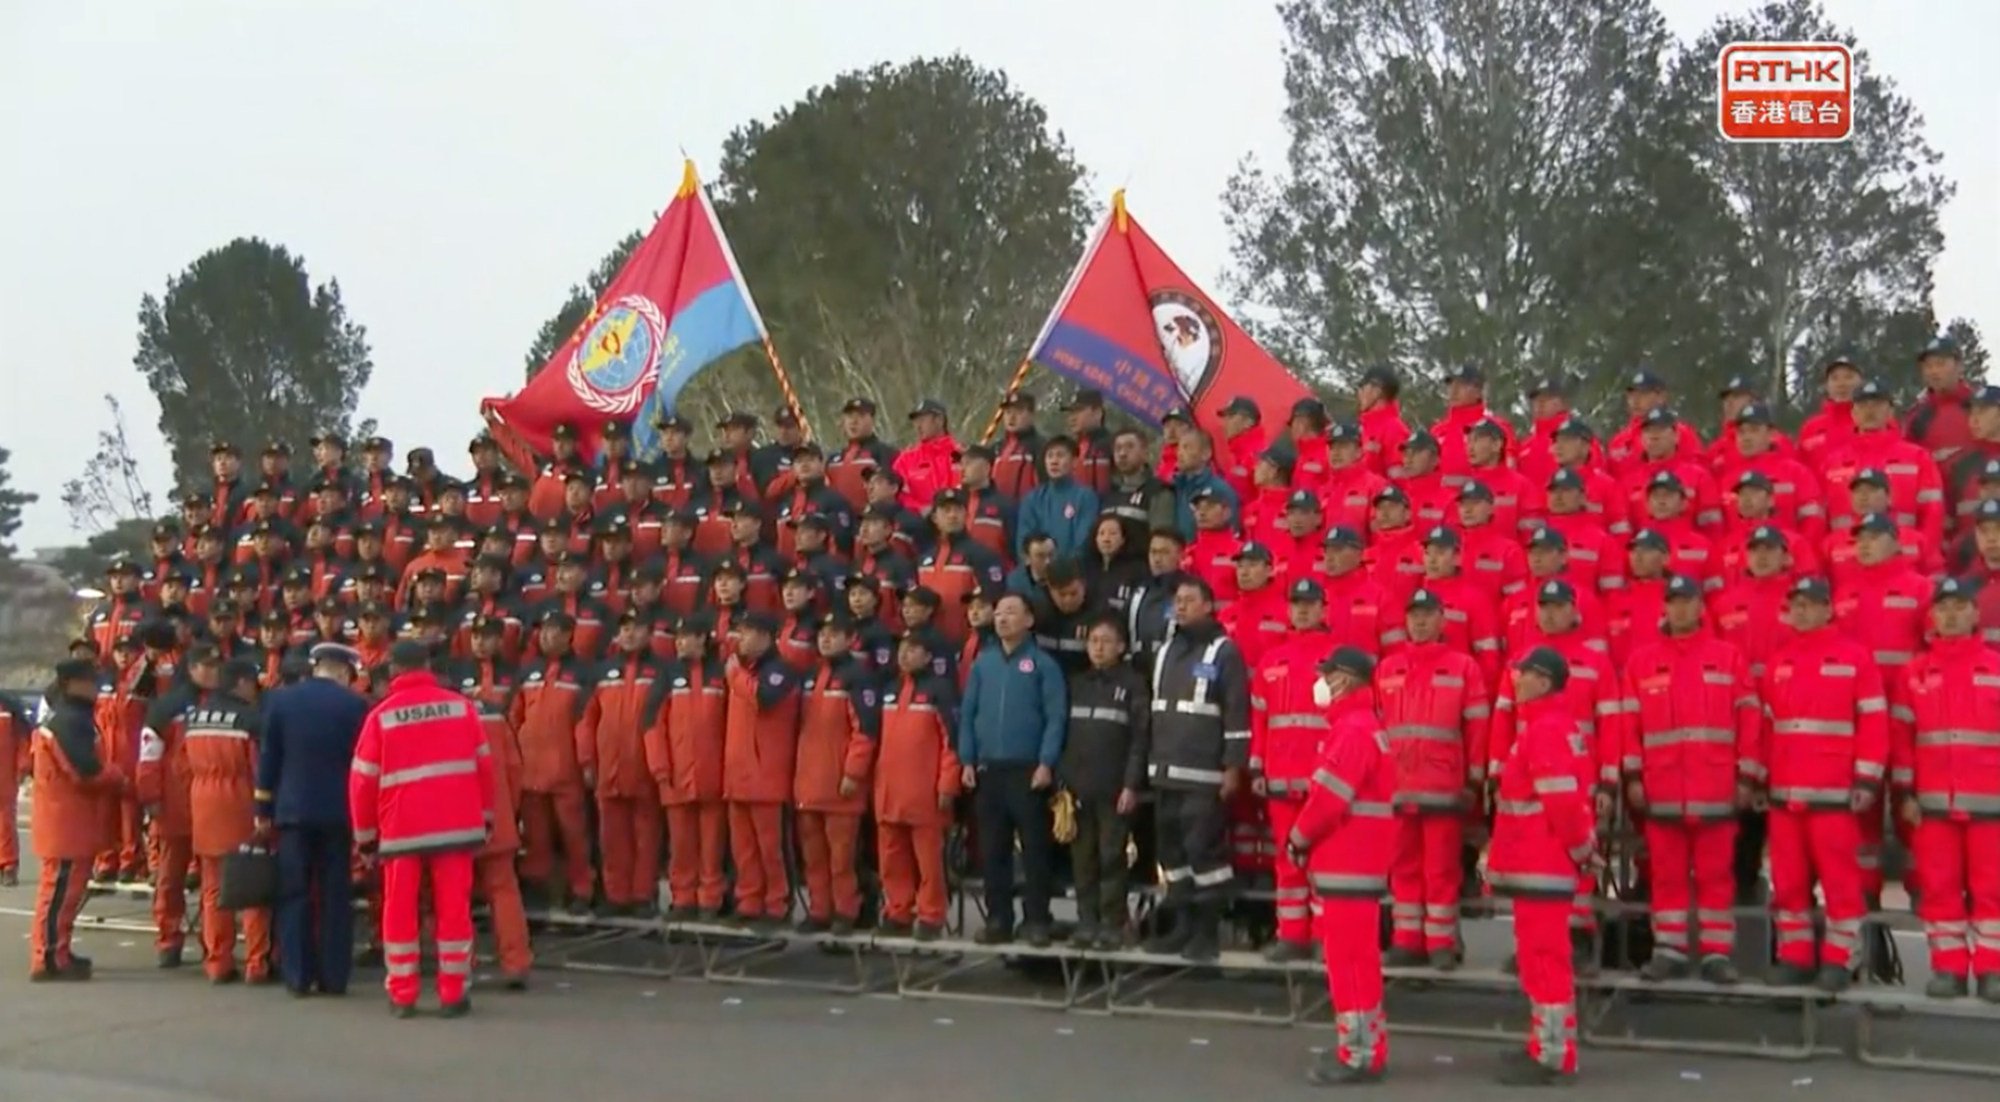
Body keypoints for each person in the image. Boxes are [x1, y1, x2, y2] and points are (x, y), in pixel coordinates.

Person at [1618, 576, 1760, 985]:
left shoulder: (1728, 658)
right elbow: (1630, 726)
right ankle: (1670, 949)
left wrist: (1747, 776)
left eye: (1688, 601)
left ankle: (1716, 953)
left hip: (1716, 789)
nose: (1680, 610)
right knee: (1666, 875)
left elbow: (1749, 721)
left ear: (1702, 607)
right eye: (1673, 602)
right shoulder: (1641, 662)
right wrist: (1632, 776)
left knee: (1717, 875)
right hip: (1662, 789)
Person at [350, 641, 494, 1017]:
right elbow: (484, 767)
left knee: (399, 911)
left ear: (394, 669)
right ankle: (453, 992)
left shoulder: (381, 716)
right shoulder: (461, 708)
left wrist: (365, 837)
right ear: (428, 665)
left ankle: (403, 994)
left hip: (401, 830)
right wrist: (486, 817)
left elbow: (362, 782)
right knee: (454, 910)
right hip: (456, 826)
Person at [1761, 576, 1887, 991]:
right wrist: (1762, 775)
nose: (1802, 611)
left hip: (1835, 795)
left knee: (1840, 883)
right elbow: (1767, 726)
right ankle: (1795, 956)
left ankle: (1839, 959)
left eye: (1811, 604)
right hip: (1785, 795)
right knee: (1789, 883)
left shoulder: (1855, 659)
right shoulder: (1779, 660)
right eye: (1796, 604)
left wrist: (1867, 778)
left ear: (1829, 609)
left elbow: (1873, 722)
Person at [1286, 646, 1396, 1086]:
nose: (1321, 683)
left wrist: (1298, 836)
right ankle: (1364, 1047)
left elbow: (1329, 798)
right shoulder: (1363, 727)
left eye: (1326, 675)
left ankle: (1359, 1054)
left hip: (1347, 863)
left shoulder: (1352, 730)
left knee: (1348, 963)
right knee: (1358, 962)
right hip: (1356, 863)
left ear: (1345, 680)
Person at [1488, 647, 1597, 1086]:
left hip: (1542, 862)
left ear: (1545, 681)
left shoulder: (1545, 729)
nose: (1515, 679)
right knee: (1539, 959)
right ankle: (1545, 1043)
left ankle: (1553, 1053)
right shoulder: (1546, 726)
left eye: (1524, 673)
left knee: (1545, 960)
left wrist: (1578, 849)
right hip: (1538, 863)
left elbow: (1562, 802)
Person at [1891, 577, 2000, 1002]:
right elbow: (1902, 738)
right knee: (1939, 888)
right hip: (1933, 805)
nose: (1951, 615)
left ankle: (1992, 969)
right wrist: (1905, 793)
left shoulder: (1995, 668)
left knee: (1993, 890)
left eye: (1959, 607)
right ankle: (1949, 968)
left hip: (1991, 805)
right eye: (1944, 608)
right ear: (1932, 616)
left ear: (1975, 614)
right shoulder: (1913, 673)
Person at [1379, 588, 1490, 968]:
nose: (1420, 621)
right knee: (1402, 867)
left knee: (1441, 869)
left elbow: (1477, 727)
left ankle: (1441, 942)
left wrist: (1474, 780)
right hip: (1397, 786)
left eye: (1427, 614)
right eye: (1414, 615)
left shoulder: (1463, 667)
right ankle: (1407, 939)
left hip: (1444, 787)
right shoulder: (1388, 667)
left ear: (1442, 620)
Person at [1144, 577, 1252, 962]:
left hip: (1204, 777)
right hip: (1165, 772)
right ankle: (1182, 927)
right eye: (1178, 601)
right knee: (1171, 854)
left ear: (1209, 606)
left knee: (1203, 853)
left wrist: (1233, 767)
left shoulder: (1224, 652)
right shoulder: (1167, 650)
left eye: (1189, 600)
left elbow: (1237, 714)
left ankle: (1206, 935)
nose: (1182, 606)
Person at [255, 641, 370, 997]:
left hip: (293, 811)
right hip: (339, 813)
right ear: (344, 672)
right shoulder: (356, 706)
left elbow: (268, 759)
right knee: (336, 895)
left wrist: (263, 809)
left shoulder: (281, 701)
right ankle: (334, 976)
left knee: (295, 894)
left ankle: (298, 974)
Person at [958, 592, 1066, 946]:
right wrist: (967, 759)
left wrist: (1046, 762)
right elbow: (968, 715)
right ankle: (998, 919)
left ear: (1029, 620)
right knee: (993, 849)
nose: (1003, 619)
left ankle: (1038, 919)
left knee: (1035, 849)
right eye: (999, 612)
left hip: (1028, 770)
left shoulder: (1042, 665)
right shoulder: (983, 664)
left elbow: (1055, 718)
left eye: (1011, 612)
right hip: (990, 770)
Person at [29, 659, 128, 981]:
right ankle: (48, 957)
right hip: (67, 821)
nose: (96, 686)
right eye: (90, 681)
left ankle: (58, 950)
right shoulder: (71, 722)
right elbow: (87, 772)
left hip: (68, 819)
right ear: (73, 683)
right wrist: (119, 777)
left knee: (64, 894)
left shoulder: (67, 717)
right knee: (59, 893)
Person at [1061, 615, 1150, 949]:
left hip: (1115, 789)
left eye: (1106, 641)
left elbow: (1140, 740)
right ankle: (1086, 923)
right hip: (1079, 788)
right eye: (1093, 641)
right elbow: (1066, 736)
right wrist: (1063, 784)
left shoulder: (1133, 684)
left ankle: (1112, 925)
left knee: (1111, 859)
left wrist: (1131, 785)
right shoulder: (1077, 683)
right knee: (1082, 860)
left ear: (1122, 647)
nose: (1098, 648)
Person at [184, 658, 273, 984]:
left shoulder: (194, 718)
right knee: (252, 887)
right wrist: (264, 813)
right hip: (240, 803)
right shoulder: (250, 720)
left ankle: (217, 961)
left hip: (203, 804)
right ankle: (256, 963)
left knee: (213, 890)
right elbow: (258, 770)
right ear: (241, 683)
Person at [793, 618, 880, 934]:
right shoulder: (811, 675)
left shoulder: (858, 677)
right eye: (822, 635)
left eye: (834, 634)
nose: (826, 640)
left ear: (850, 638)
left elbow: (866, 731)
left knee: (842, 857)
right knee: (813, 856)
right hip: (808, 781)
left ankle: (847, 910)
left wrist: (853, 773)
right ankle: (820, 909)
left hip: (841, 785)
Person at [876, 632, 963, 938]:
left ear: (928, 657)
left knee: (929, 862)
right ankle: (898, 910)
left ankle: (931, 914)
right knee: (891, 856)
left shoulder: (941, 690)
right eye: (902, 649)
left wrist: (947, 785)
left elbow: (952, 743)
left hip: (925, 792)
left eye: (914, 650)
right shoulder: (889, 689)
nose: (905, 655)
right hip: (888, 790)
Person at [723, 613, 803, 928]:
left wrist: (734, 676)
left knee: (771, 849)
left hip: (767, 776)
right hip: (737, 774)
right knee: (743, 849)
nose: (740, 639)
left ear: (766, 637)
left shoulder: (780, 671)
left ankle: (777, 904)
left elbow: (763, 698)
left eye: (747, 633)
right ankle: (749, 901)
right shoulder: (743, 671)